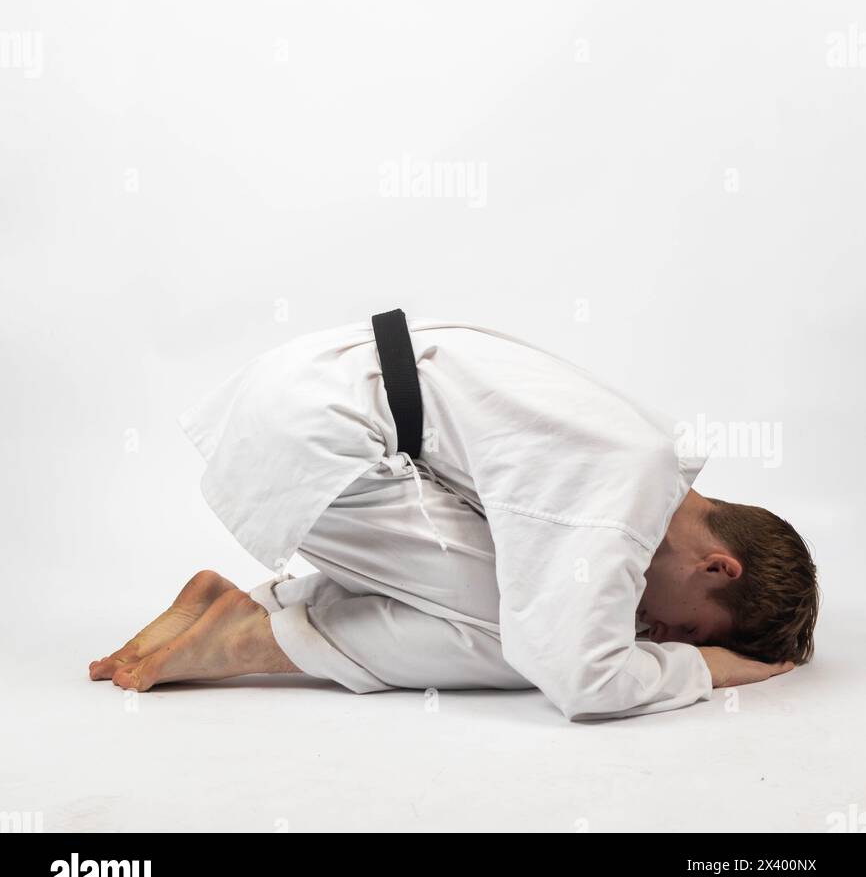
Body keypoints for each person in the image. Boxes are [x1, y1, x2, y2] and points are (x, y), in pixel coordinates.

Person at [89, 315, 819, 720]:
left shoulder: (641, 450)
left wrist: (659, 645)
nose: (656, 631)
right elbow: (582, 681)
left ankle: (251, 607)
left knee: (535, 620)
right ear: (718, 567)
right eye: (686, 626)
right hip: (313, 435)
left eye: (680, 639)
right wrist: (703, 668)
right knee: (521, 639)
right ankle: (254, 639)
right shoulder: (627, 497)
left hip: (311, 403)